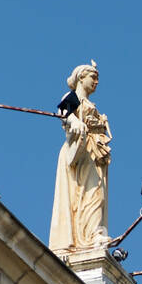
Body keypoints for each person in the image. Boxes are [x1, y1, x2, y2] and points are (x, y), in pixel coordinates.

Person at [49, 62, 113, 254]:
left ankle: (93, 233)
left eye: (97, 78)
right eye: (93, 77)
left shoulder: (92, 105)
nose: (96, 82)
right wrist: (74, 120)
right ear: (81, 77)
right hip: (80, 150)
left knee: (97, 194)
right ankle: (92, 236)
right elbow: (62, 112)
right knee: (89, 193)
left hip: (96, 151)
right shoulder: (73, 98)